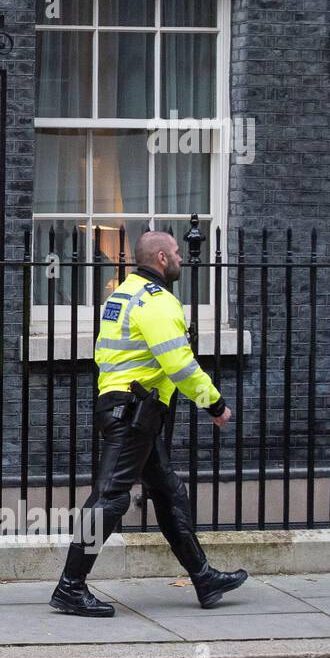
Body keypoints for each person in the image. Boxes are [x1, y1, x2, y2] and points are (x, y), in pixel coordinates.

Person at [50, 229, 248, 616]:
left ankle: (204, 578)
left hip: (133, 410)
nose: (181, 259)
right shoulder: (158, 302)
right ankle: (70, 587)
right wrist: (215, 404)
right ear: (160, 257)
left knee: (169, 491)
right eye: (176, 252)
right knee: (109, 498)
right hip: (133, 413)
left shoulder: (123, 294)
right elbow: (179, 364)